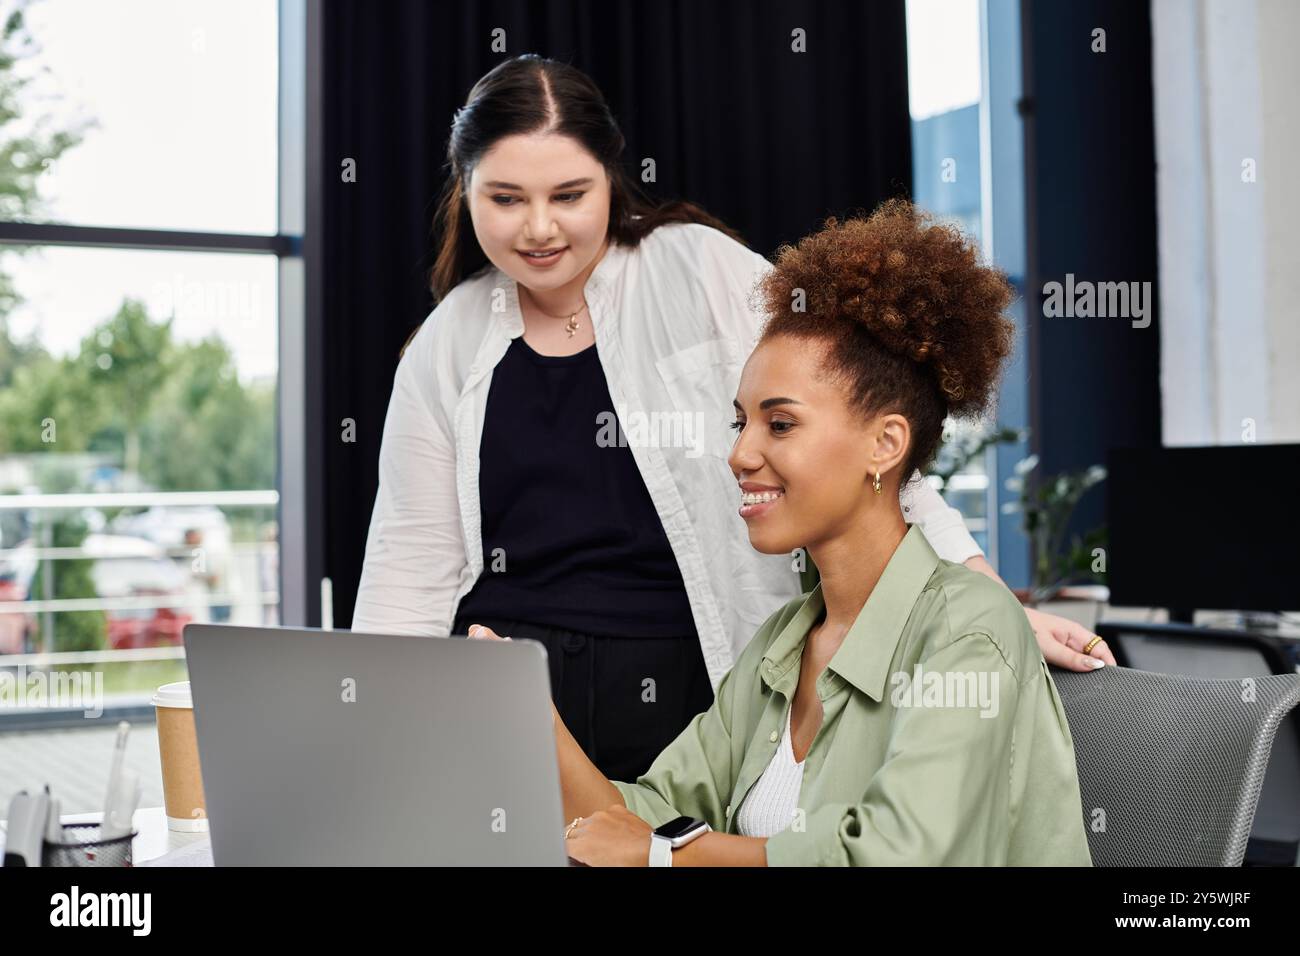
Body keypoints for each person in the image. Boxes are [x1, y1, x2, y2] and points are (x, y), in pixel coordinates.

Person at [352, 53, 1112, 783]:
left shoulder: (699, 269)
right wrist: (365, 725)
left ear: (612, 182)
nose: (539, 228)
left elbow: (864, 440)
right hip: (506, 694)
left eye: (569, 195)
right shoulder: (448, 342)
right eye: (506, 198)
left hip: (683, 690)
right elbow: (409, 567)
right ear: (466, 189)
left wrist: (985, 600)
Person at [473, 200, 1094, 866]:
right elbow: (632, 823)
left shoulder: (969, 633)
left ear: (884, 444)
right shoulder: (784, 645)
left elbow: (897, 855)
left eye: (781, 424)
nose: (740, 454)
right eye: (741, 423)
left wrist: (667, 857)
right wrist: (532, 716)